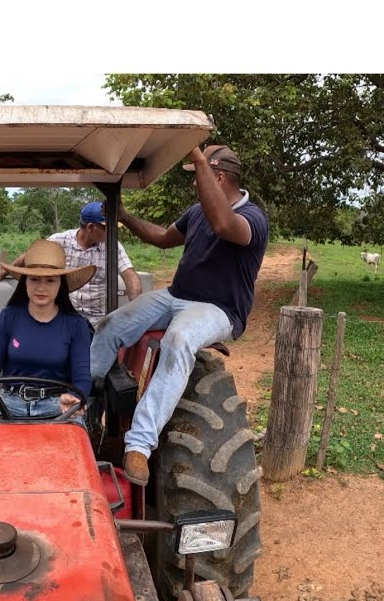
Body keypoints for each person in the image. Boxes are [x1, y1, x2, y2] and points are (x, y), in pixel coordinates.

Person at [92, 144, 269, 486]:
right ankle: (84, 406)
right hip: (175, 296)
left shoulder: (253, 219)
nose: (194, 185)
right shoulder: (197, 212)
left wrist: (197, 157)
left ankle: (139, 445)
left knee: (179, 339)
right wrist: (125, 216)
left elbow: (222, 224)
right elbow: (162, 238)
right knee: (110, 325)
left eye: (199, 176)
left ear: (217, 177)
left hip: (218, 310)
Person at [0, 240, 93, 423]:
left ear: (61, 284)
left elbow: (82, 379)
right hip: (8, 403)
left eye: (50, 280)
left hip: (57, 405)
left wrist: (73, 398)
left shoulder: (76, 325)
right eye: (34, 279)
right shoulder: (7, 317)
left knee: (74, 443)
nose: (41, 287)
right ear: (25, 282)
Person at [0, 201, 141, 326]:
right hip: (67, 316)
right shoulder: (60, 240)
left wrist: (136, 310)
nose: (112, 232)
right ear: (91, 227)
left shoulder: (112, 246)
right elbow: (30, 255)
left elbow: (130, 275)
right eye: (107, 228)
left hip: (99, 320)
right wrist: (2, 273)